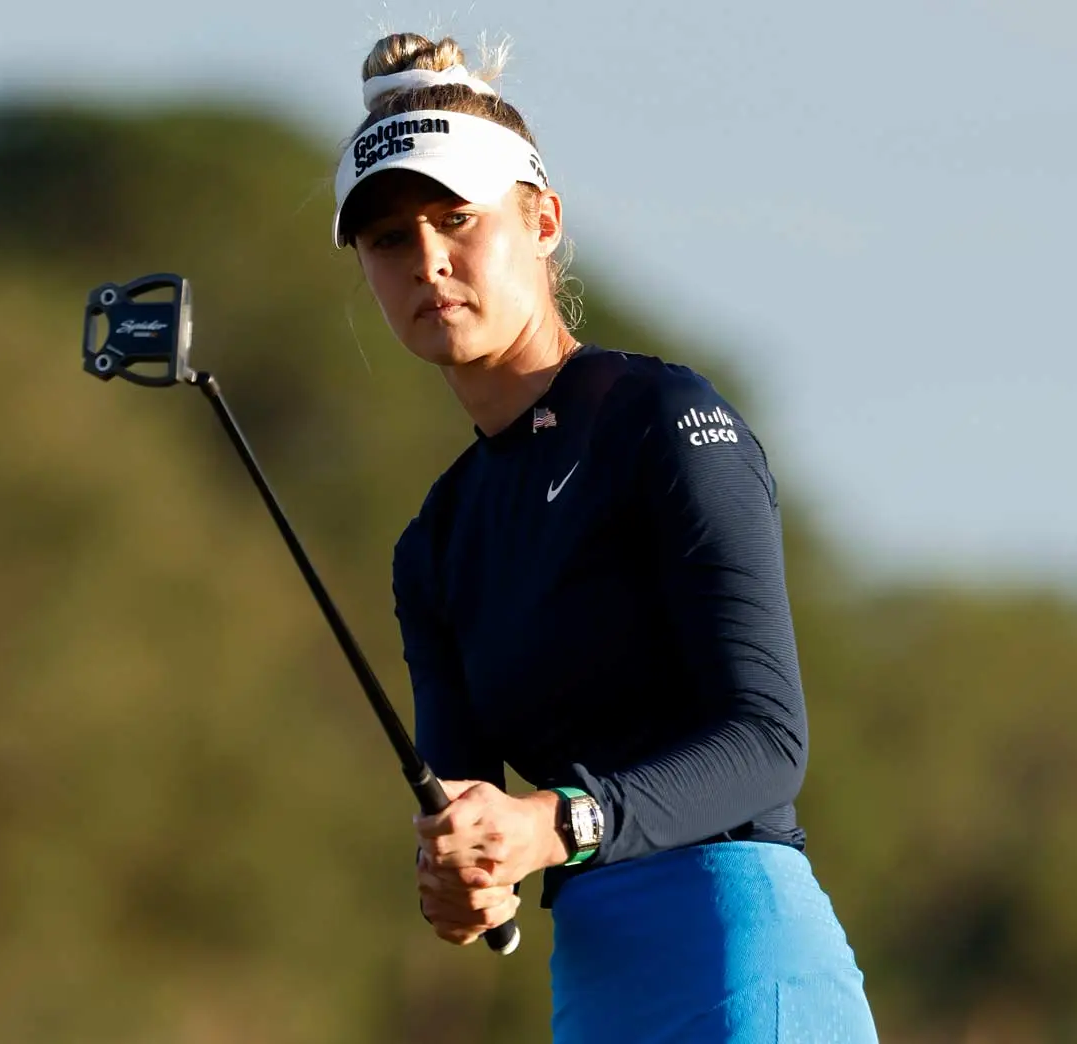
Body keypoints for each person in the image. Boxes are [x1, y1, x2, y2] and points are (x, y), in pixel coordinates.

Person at [331, 31, 882, 1043]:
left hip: (737, 954)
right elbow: (467, 813)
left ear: (540, 220)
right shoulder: (435, 544)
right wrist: (461, 885)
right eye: (388, 239)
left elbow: (768, 743)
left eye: (457, 219)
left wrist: (553, 823)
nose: (428, 261)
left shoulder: (661, 421)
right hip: (595, 981)